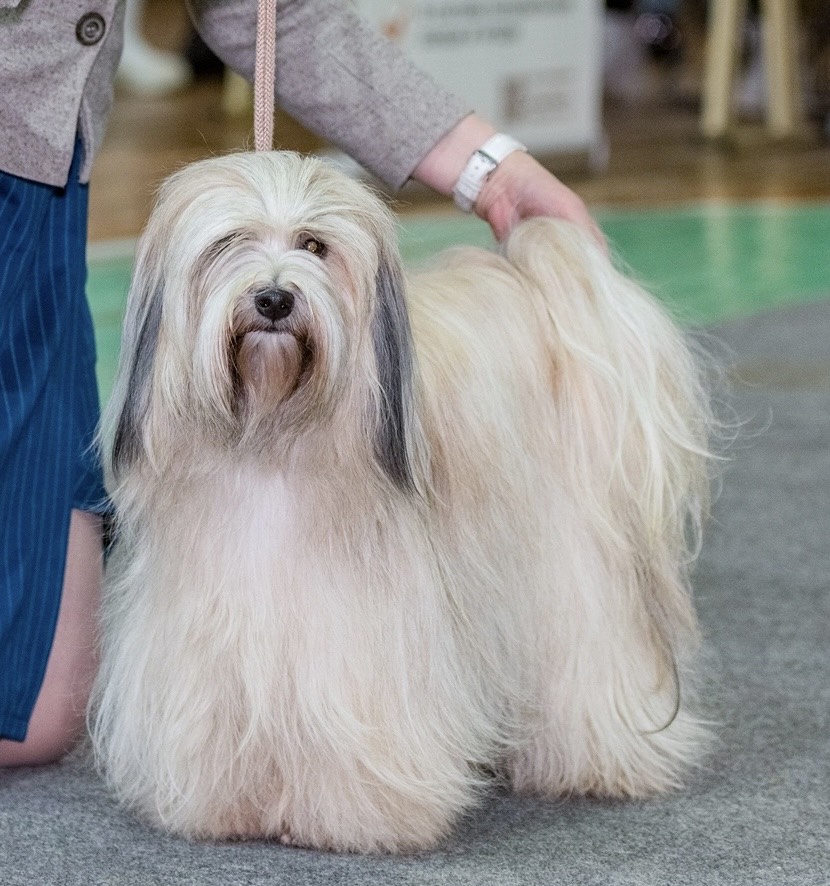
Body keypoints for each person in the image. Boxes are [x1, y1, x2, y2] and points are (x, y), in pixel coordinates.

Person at [0, 0, 602, 767]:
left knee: (35, 715)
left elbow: (270, 12)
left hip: (28, 166)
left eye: (315, 248)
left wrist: (493, 172)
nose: (279, 284)